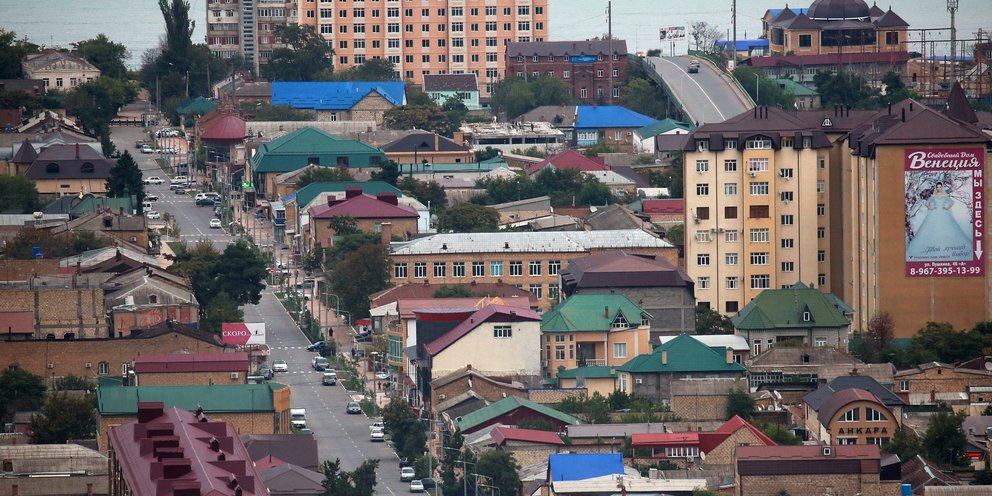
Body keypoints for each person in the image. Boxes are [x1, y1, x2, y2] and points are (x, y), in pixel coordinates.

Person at [906, 182, 972, 261]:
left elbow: (952, 202)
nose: (939, 188)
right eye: (937, 187)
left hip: (944, 213)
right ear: (936, 188)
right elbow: (927, 203)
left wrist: (946, 208)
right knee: (932, 229)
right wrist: (931, 208)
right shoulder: (933, 196)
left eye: (940, 187)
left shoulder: (945, 195)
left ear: (942, 187)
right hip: (934, 213)